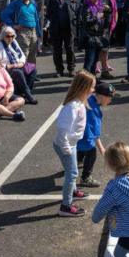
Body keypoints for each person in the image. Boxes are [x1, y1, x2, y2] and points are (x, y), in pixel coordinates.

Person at [54, 71, 96, 217]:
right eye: (92, 87)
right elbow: (61, 130)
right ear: (84, 88)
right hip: (65, 145)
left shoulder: (79, 103)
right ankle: (65, 206)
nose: (93, 90)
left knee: (71, 171)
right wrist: (66, 148)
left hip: (71, 143)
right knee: (72, 173)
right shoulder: (72, 107)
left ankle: (72, 191)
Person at [76, 82, 114, 188]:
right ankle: (85, 177)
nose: (111, 100)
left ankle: (77, 161)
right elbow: (94, 133)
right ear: (101, 96)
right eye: (109, 97)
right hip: (84, 136)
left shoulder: (90, 100)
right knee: (91, 152)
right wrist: (102, 149)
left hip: (77, 135)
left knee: (81, 149)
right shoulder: (92, 111)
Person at [0, 26, 38, 105]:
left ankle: (26, 94)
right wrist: (11, 66)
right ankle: (28, 95)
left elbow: (22, 56)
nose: (10, 38)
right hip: (6, 68)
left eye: (12, 36)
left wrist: (22, 63)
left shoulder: (14, 42)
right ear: (3, 36)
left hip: (18, 65)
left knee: (33, 68)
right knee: (18, 72)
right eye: (8, 36)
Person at [0, 0, 41, 64]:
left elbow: (36, 18)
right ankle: (23, 75)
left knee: (33, 55)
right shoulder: (16, 3)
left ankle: (31, 75)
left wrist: (39, 33)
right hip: (22, 32)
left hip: (33, 32)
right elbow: (3, 15)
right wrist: (13, 26)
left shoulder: (33, 2)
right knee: (23, 55)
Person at [45, 0, 78, 77]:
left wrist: (74, 22)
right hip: (56, 28)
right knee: (57, 50)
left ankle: (71, 69)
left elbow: (74, 10)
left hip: (68, 27)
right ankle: (59, 70)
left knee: (70, 49)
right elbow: (48, 14)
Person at [79, 0, 112, 75]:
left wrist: (108, 13)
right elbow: (86, 22)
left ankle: (92, 81)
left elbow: (106, 24)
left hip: (99, 37)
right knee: (89, 62)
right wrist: (97, 17)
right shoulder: (86, 7)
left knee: (94, 62)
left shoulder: (100, 6)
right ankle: (84, 83)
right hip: (90, 37)